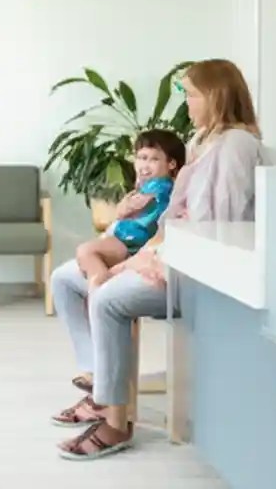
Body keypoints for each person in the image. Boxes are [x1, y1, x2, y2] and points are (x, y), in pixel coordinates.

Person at [50, 59, 264, 460]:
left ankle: (114, 423)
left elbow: (220, 226)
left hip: (196, 271)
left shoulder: (236, 146)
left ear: (216, 96)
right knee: (65, 279)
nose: (187, 104)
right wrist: (143, 254)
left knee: (107, 298)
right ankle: (99, 381)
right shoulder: (202, 141)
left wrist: (150, 259)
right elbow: (172, 219)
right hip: (172, 255)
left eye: (192, 95)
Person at [69, 128, 185, 393]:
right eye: (141, 158)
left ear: (171, 164)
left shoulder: (161, 186)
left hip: (131, 240)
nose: (145, 165)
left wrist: (127, 206)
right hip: (128, 238)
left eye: (153, 159)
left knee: (86, 251)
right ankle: (99, 281)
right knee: (87, 252)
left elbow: (142, 205)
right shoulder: (147, 185)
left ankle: (99, 283)